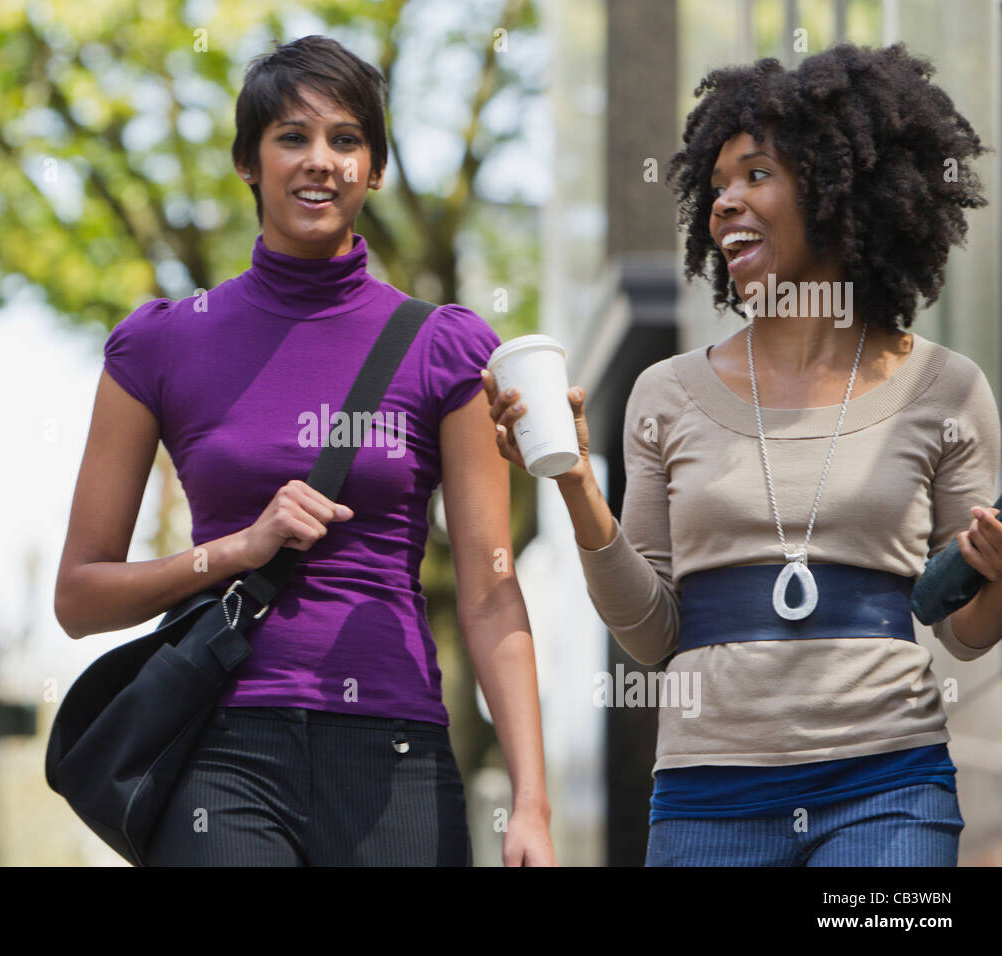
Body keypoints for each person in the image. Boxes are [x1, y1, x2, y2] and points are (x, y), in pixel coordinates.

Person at [486, 44, 1002, 866]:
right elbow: (654, 636)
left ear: (838, 191)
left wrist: (994, 571)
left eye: (756, 174)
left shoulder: (948, 388)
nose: (726, 202)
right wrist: (577, 482)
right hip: (705, 800)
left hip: (889, 792)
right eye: (718, 184)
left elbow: (965, 636)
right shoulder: (666, 394)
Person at [55, 35, 554, 866]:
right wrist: (237, 550)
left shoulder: (448, 348)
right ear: (249, 161)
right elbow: (81, 597)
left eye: (346, 139)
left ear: (377, 169)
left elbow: (492, 590)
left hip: (396, 749)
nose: (319, 161)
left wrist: (531, 804)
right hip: (223, 750)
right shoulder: (161, 345)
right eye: (292, 136)